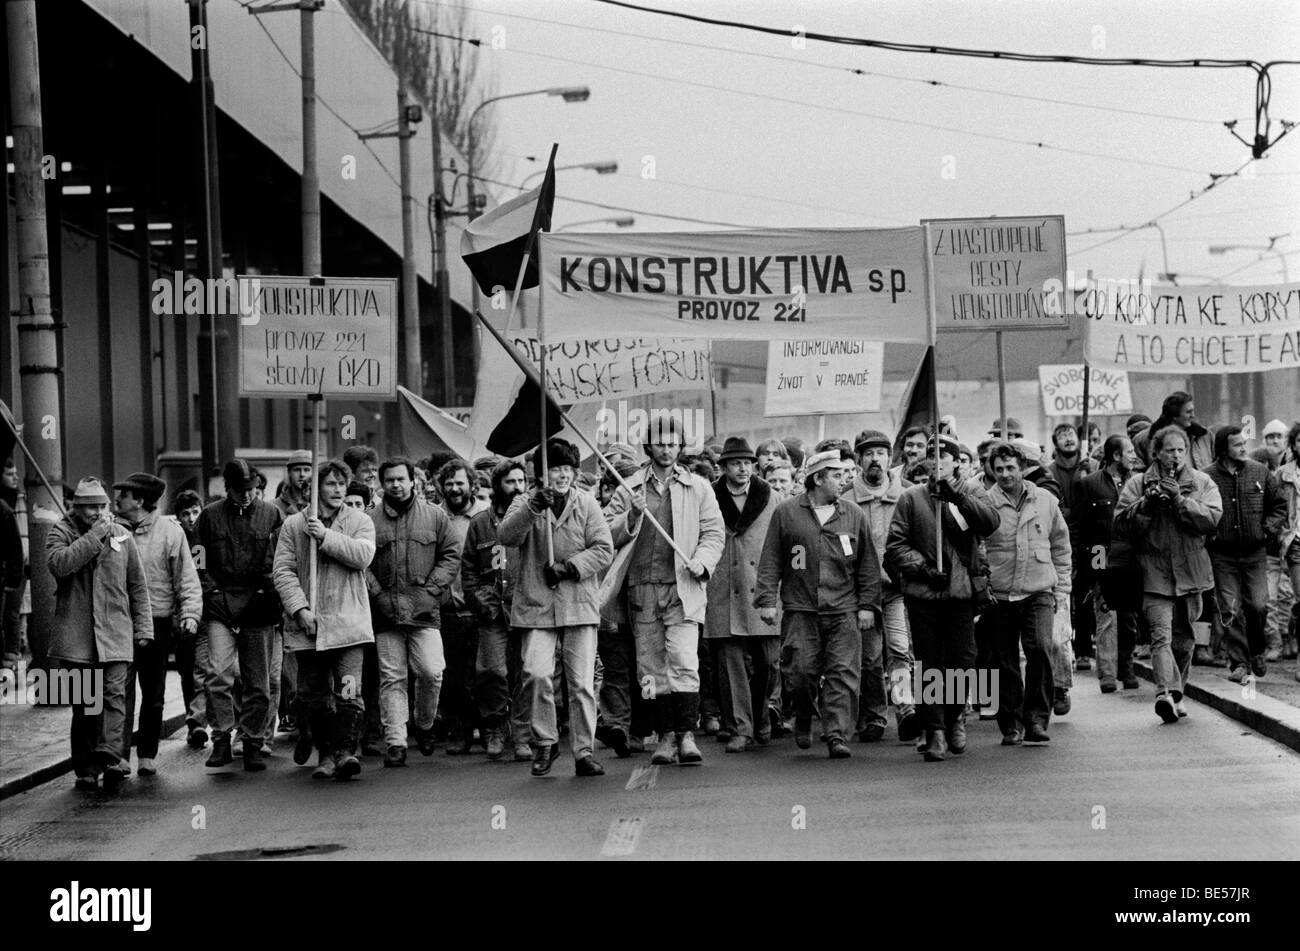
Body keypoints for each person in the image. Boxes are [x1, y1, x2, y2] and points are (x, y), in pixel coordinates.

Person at [603, 413, 725, 766]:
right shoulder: (630, 487)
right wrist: (631, 517)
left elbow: (713, 533)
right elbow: (606, 532)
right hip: (641, 589)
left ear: (681, 445)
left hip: (683, 587)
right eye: (660, 443)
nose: (667, 449)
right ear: (649, 446)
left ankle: (686, 735)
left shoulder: (698, 486)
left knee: (684, 660)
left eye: (673, 443)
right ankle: (665, 737)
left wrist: (702, 561)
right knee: (651, 669)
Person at [755, 449, 882, 759]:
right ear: (818, 479)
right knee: (798, 672)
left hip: (843, 609)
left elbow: (868, 563)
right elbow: (771, 558)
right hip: (801, 609)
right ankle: (802, 714)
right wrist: (766, 600)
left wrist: (867, 605)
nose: (844, 480)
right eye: (836, 476)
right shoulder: (786, 512)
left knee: (843, 673)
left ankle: (837, 734)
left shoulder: (853, 513)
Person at [499, 439, 614, 776]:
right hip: (536, 603)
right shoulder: (524, 501)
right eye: (554, 469)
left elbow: (603, 549)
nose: (561, 475)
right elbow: (507, 536)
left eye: (567, 469)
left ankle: (583, 751)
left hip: (578, 603)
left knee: (580, 683)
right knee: (535, 674)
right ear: (541, 473)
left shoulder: (587, 504)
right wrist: (532, 507)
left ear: (576, 472)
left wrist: (570, 567)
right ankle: (545, 741)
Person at [886, 435, 999, 760]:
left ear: (954, 462)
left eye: (943, 458)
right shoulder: (911, 498)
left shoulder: (972, 491)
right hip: (924, 594)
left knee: (962, 660)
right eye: (932, 459)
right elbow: (895, 545)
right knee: (930, 662)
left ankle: (954, 719)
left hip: (962, 593)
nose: (937, 464)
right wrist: (921, 567)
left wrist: (958, 498)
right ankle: (934, 729)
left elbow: (990, 523)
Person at [46, 478, 152, 792]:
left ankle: (114, 756)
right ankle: (87, 768)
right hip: (78, 638)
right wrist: (94, 537)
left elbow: (137, 586)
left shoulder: (122, 535)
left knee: (116, 697)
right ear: (76, 507)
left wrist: (144, 627)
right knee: (86, 706)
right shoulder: (60, 532)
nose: (98, 512)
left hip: (115, 632)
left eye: (102, 506)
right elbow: (60, 565)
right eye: (91, 506)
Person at [273, 459, 376, 780]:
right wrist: (299, 610)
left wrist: (327, 537)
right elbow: (283, 571)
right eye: (330, 484)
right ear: (316, 488)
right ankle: (326, 753)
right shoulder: (293, 525)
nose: (337, 490)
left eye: (341, 485)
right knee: (314, 695)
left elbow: (362, 556)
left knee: (348, 690)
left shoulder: (360, 520)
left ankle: (345, 752)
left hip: (348, 624)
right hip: (310, 626)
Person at [1116, 425, 1222, 724]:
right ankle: (1165, 693)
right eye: (1169, 450)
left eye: (1180, 450)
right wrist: (1146, 505)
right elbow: (1122, 526)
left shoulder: (1201, 481)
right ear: (1156, 453)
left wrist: (1180, 501)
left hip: (1191, 571)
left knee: (1184, 639)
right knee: (1160, 636)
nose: (1175, 456)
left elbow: (1212, 519)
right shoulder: (1137, 483)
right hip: (1152, 570)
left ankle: (1177, 693)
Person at [368, 457, 461, 767]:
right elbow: (362, 565)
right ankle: (396, 741)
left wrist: (432, 590)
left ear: (413, 482)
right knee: (392, 677)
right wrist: (377, 594)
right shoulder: (368, 521)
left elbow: (451, 555)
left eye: (401, 479)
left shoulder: (435, 517)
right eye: (390, 479)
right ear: (382, 484)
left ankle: (424, 723)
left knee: (432, 671)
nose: (395, 484)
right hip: (385, 612)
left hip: (425, 611)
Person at [196, 460, 284, 772]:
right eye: (239, 490)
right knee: (218, 674)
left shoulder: (272, 514)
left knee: (257, 681)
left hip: (257, 607)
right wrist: (211, 592)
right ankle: (221, 738)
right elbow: (199, 558)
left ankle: (252, 741)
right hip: (221, 605)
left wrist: (267, 591)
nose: (247, 495)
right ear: (227, 488)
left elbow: (280, 558)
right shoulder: (209, 516)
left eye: (251, 489)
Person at [112, 472, 202, 777]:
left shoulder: (169, 532)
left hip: (158, 620)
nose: (117, 499)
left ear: (139, 501)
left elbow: (186, 577)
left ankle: (147, 753)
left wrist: (190, 613)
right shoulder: (111, 530)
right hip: (120, 622)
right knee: (119, 690)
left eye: (123, 494)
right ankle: (118, 755)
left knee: (153, 691)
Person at [984, 441, 1072, 746]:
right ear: (991, 471)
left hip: (1039, 591)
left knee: (1040, 649)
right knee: (1003, 660)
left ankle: (1036, 718)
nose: (1005, 474)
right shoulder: (984, 502)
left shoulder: (1045, 500)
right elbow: (976, 548)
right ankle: (1010, 722)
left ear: (1023, 468)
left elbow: (1061, 544)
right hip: (1000, 594)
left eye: (1011, 468)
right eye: (999, 469)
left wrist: (1062, 588)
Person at [703, 437, 782, 753]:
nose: (743, 469)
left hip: (762, 589)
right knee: (731, 662)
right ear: (723, 467)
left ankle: (760, 716)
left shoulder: (771, 497)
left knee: (768, 661)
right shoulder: (709, 496)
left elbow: (785, 541)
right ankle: (741, 728)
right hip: (723, 588)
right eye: (736, 463)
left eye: (748, 463)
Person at [850, 429, 919, 744]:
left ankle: (906, 709)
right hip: (861, 594)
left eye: (880, 452)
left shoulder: (907, 493)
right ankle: (875, 717)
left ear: (889, 457)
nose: (875, 459)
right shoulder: (846, 499)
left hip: (897, 590)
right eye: (868, 453)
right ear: (859, 459)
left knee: (899, 651)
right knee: (869, 658)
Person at [1203, 426, 1285, 683]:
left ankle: (1257, 651)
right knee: (1229, 608)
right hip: (1222, 555)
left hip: (1254, 553)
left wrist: (1266, 531)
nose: (1243, 448)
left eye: (1244, 443)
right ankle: (1239, 662)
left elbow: (1279, 506)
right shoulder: (1207, 477)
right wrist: (1210, 534)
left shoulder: (1259, 472)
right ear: (1223, 449)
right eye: (1237, 444)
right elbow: (1199, 510)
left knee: (1258, 606)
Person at [461, 459, 530, 761]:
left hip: (527, 608)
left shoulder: (533, 518)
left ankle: (524, 733)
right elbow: (468, 569)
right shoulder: (479, 523)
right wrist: (480, 601)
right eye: (510, 482)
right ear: (497, 486)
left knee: (526, 673)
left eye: (521, 481)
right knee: (491, 671)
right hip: (492, 611)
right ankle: (495, 728)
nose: (517, 488)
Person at [1073, 435, 1143, 693]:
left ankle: (1127, 667)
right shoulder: (1089, 484)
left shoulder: (1138, 483)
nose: (1134, 456)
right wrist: (1084, 565)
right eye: (1129, 451)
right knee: (1106, 616)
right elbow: (1079, 527)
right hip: (1100, 554)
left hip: (1130, 558)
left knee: (1128, 618)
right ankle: (1107, 673)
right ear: (1115, 456)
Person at [595, 458, 651, 757]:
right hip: (613, 603)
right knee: (616, 667)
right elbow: (606, 537)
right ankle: (617, 725)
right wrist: (632, 515)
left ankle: (641, 728)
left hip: (647, 602)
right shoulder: (605, 512)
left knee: (645, 670)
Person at [436, 457, 489, 754]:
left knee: (482, 673)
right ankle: (459, 731)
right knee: (452, 675)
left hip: (479, 606)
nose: (455, 488)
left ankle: (488, 727)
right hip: (446, 608)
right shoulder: (433, 516)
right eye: (450, 483)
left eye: (460, 483)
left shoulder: (484, 517)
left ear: (471, 485)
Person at [1049, 424, 1095, 675]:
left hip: (1090, 542)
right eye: (1062, 436)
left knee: (1086, 595)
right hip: (1061, 539)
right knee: (1062, 597)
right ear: (1055, 442)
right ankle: (1064, 647)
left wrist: (1086, 479)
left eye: (1071, 435)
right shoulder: (1050, 471)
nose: (1068, 439)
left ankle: (1085, 649)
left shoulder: (1091, 466)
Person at [172, 489, 210, 748]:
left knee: (201, 669)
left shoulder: (204, 540)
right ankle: (193, 718)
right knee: (186, 671)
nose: (191, 518)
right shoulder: (176, 540)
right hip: (180, 614)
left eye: (195, 512)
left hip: (205, 612)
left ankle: (197, 721)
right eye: (186, 514)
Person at [1272, 423, 1300, 671]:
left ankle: (1291, 633)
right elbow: (1274, 509)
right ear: (1293, 444)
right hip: (1296, 542)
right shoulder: (1283, 474)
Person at [1134, 391, 1214, 471]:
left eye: (1192, 411)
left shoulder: (1205, 436)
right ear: (1174, 415)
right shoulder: (1143, 440)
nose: (1193, 416)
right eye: (1188, 412)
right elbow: (1136, 473)